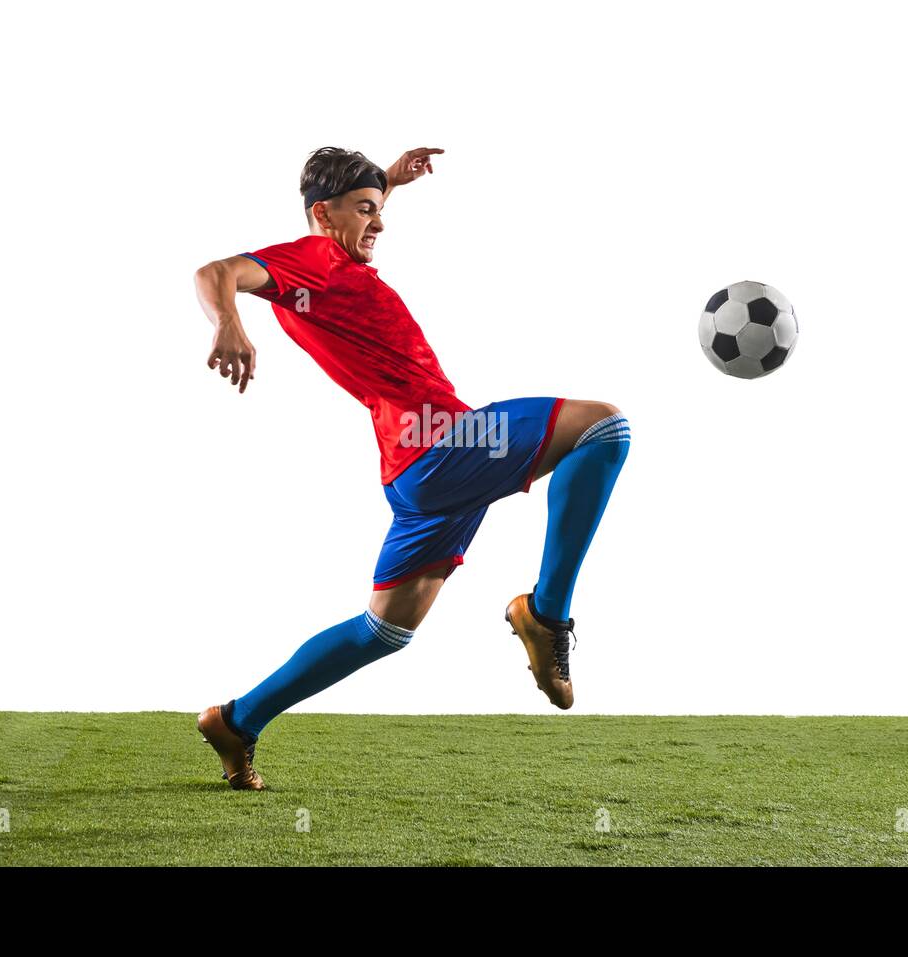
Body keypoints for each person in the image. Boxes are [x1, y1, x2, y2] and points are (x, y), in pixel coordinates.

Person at [192, 147, 630, 789]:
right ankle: (547, 613)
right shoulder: (310, 258)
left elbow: (340, 230)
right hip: (443, 443)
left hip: (416, 470)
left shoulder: (328, 262)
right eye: (366, 210)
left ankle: (237, 721)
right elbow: (214, 271)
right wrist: (229, 322)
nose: (380, 222)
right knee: (602, 427)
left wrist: (386, 185)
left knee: (384, 630)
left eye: (380, 210)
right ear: (323, 212)